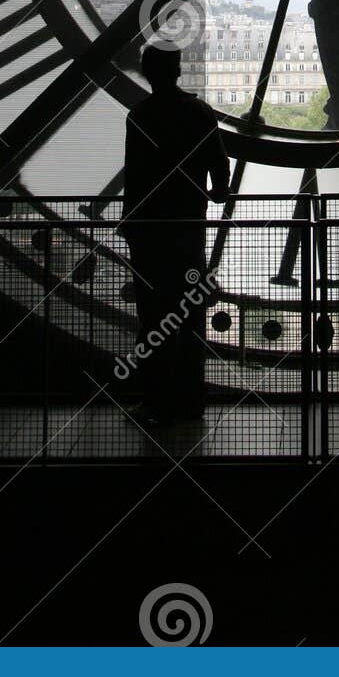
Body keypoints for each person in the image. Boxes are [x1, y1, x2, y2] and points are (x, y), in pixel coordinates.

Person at [119, 43, 229, 425]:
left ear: (148, 73)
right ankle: (189, 400)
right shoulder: (198, 113)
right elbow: (218, 164)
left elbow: (135, 176)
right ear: (178, 71)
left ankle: (156, 401)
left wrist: (131, 222)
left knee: (153, 318)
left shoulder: (140, 117)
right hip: (187, 230)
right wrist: (216, 189)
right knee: (189, 316)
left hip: (151, 232)